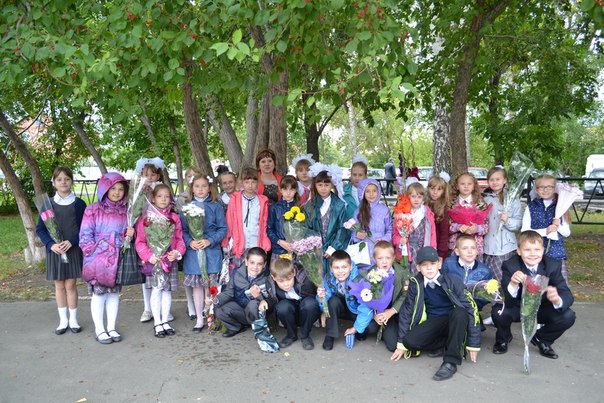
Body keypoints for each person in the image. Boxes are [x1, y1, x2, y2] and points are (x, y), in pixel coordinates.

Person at [390, 246, 481, 381]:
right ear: (418, 267)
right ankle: (446, 344)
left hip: (454, 320)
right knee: (410, 342)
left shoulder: (452, 281)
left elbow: (471, 308)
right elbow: (406, 311)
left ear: (439, 263)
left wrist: (473, 343)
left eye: (432, 264)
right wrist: (401, 343)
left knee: (460, 312)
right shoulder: (416, 284)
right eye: (424, 265)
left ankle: (450, 362)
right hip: (435, 322)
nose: (429, 268)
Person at [491, 231, 575, 359]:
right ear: (519, 251)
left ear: (543, 250)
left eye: (537, 249)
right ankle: (503, 338)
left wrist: (557, 300)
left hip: (541, 308)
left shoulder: (552, 265)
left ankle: (542, 339)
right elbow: (506, 299)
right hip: (518, 307)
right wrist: (513, 284)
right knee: (499, 312)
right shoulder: (510, 265)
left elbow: (566, 293)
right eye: (527, 250)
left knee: (568, 316)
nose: (532, 254)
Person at [79, 172, 134, 344]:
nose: (117, 192)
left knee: (114, 293)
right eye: (113, 188)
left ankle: (111, 327)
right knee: (99, 293)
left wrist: (129, 235)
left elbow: (126, 233)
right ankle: (99, 329)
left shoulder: (126, 211)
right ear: (105, 188)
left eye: (120, 189)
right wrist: (91, 252)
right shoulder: (93, 209)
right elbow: (85, 234)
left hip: (117, 256)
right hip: (98, 257)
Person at [36, 166, 86, 335]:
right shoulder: (47, 204)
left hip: (72, 249)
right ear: (54, 183)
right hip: (56, 251)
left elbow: (85, 229)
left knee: (71, 285)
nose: (63, 182)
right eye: (59, 179)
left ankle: (73, 320)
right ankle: (63, 320)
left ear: (72, 181)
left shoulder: (79, 204)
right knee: (59, 284)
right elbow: (40, 229)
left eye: (67, 179)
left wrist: (72, 241)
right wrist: (51, 244)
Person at [135, 184, 186, 338]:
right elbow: (140, 242)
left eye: (166, 196)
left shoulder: (174, 218)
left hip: (169, 261)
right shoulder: (146, 218)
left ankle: (165, 321)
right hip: (154, 261)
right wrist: (149, 256)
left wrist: (177, 252)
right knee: (156, 290)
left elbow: (179, 239)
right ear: (153, 198)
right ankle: (157, 322)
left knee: (167, 291)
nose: (163, 199)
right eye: (159, 196)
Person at [180, 175, 227, 333]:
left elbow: (223, 228)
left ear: (210, 188)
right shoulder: (187, 207)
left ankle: (211, 315)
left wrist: (210, 240)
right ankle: (199, 318)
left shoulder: (215, 206)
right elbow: (182, 230)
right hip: (194, 253)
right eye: (197, 186)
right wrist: (190, 242)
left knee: (211, 286)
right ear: (191, 188)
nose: (200, 189)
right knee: (197, 287)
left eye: (204, 186)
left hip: (211, 251)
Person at [135, 157, 171, 324]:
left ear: (158, 176)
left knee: (162, 277)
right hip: (145, 234)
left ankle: (164, 310)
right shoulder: (139, 191)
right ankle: (148, 308)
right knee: (147, 274)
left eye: (153, 174)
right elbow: (135, 210)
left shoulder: (162, 191)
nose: (149, 177)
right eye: (146, 174)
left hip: (162, 237)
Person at [317, 250, 375, 351]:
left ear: (351, 267)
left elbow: (366, 307)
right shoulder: (328, 277)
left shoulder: (359, 280)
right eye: (336, 268)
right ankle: (330, 335)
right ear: (331, 268)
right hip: (340, 308)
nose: (340, 271)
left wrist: (356, 328)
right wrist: (322, 301)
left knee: (371, 327)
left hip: (355, 310)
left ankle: (359, 330)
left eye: (344, 267)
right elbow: (326, 297)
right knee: (333, 301)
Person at [207, 247, 270, 337]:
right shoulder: (237, 273)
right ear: (246, 262)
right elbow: (228, 293)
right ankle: (236, 327)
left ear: (264, 265)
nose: (255, 267)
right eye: (252, 263)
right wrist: (214, 300)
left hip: (257, 313)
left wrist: (259, 297)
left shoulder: (268, 277)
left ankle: (260, 329)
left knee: (253, 304)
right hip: (241, 310)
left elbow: (273, 300)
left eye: (259, 264)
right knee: (218, 309)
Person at [521, 174, 571, 282]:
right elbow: (525, 231)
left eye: (549, 187)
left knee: (557, 284)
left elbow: (567, 233)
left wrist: (558, 226)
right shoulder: (531, 207)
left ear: (555, 188)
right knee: (536, 285)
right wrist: (545, 231)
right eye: (541, 187)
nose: (545, 190)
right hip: (535, 253)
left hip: (555, 253)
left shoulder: (561, 207)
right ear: (536, 189)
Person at [263, 258, 320, 350]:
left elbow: (316, 297)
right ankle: (291, 335)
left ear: (294, 273)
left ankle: (305, 335)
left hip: (306, 312)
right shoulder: (270, 283)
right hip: (289, 314)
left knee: (310, 303)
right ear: (273, 277)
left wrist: (323, 313)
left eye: (289, 279)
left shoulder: (305, 281)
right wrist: (266, 301)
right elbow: (272, 300)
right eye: (281, 281)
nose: (286, 284)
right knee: (282, 307)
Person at [364, 241, 409, 352]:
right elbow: (365, 295)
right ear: (374, 259)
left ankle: (388, 330)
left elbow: (406, 294)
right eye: (380, 258)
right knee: (368, 328)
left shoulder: (402, 273)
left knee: (392, 345)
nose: (384, 261)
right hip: (378, 312)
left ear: (393, 258)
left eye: (388, 258)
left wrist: (392, 311)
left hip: (393, 311)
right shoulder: (370, 274)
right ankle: (380, 328)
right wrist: (375, 314)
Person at [304, 168, 350, 274]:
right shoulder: (309, 206)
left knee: (333, 275)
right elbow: (307, 228)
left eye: (326, 185)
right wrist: (315, 245)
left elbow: (342, 228)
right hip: (315, 250)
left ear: (332, 185)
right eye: (320, 185)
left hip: (333, 250)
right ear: (315, 185)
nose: (323, 188)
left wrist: (333, 247)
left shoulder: (339, 205)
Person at [221, 167, 271, 266]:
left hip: (256, 243)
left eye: (253, 182)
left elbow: (264, 224)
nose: (250, 185)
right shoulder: (235, 199)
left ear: (258, 183)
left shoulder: (262, 201)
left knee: (255, 270)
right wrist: (226, 241)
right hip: (239, 243)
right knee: (239, 270)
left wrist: (264, 243)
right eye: (247, 182)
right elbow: (229, 222)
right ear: (241, 182)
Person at [483, 167, 523, 282]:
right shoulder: (484, 199)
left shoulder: (512, 198)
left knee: (506, 280)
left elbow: (518, 223)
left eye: (498, 179)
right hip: (488, 247)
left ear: (504, 180)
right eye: (491, 180)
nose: (495, 182)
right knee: (489, 282)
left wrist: (507, 220)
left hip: (506, 248)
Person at [174, 166, 202, 321]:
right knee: (188, 273)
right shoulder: (182, 198)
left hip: (202, 240)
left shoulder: (204, 194)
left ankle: (203, 305)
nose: (191, 178)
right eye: (189, 176)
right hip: (187, 240)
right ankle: (190, 305)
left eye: (194, 175)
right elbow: (181, 219)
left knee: (201, 275)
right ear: (185, 178)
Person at [393, 182, 436, 275]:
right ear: (408, 197)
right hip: (406, 251)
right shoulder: (402, 213)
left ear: (423, 198)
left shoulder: (426, 213)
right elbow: (396, 234)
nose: (416, 199)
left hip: (422, 250)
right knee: (406, 274)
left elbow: (432, 234)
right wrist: (400, 241)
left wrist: (432, 250)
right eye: (413, 196)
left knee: (420, 274)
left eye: (419, 197)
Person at [442, 235, 492, 313]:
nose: (470, 251)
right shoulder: (448, 263)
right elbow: (442, 284)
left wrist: (472, 306)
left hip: (472, 308)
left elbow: (485, 296)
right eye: (465, 248)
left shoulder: (485, 271)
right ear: (457, 251)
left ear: (477, 250)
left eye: (473, 248)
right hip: (450, 306)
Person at [349, 178, 392, 267]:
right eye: (367, 191)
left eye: (374, 191)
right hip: (364, 251)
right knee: (365, 273)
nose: (371, 194)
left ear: (378, 192)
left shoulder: (385, 210)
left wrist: (384, 239)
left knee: (380, 272)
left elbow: (390, 229)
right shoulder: (358, 211)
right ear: (362, 193)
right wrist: (357, 235)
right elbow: (353, 230)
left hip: (381, 248)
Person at [448, 172, 491, 259]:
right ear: (457, 186)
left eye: (469, 184)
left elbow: (486, 226)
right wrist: (457, 227)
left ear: (474, 186)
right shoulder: (451, 203)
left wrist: (477, 228)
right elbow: (447, 225)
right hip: (456, 246)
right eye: (462, 184)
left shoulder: (480, 204)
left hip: (475, 247)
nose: (466, 186)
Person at [267, 175, 299, 261]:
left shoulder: (300, 208)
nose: (288, 193)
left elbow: (303, 229)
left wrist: (296, 243)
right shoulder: (274, 208)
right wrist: (279, 241)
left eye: (291, 189)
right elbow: (269, 229)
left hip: (294, 250)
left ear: (296, 190)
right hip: (278, 250)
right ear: (280, 190)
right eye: (285, 189)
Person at [425, 173, 452, 261]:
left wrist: (441, 253)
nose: (435, 192)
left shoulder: (443, 208)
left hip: (438, 249)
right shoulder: (424, 205)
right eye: (432, 188)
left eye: (439, 189)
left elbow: (444, 233)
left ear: (443, 191)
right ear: (428, 188)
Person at [343, 155, 368, 220]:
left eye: (360, 175)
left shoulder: (371, 192)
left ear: (365, 176)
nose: (357, 178)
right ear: (350, 175)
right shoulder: (343, 192)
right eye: (354, 175)